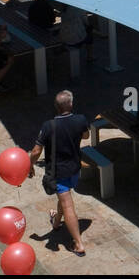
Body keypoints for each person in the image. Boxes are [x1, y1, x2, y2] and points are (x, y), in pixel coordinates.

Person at [28, 90, 90, 256]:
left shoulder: (49, 126)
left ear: (56, 107)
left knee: (68, 205)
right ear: (70, 104)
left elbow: (35, 151)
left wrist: (30, 166)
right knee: (63, 199)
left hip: (59, 172)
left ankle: (78, 244)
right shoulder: (81, 120)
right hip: (75, 169)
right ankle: (56, 223)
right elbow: (85, 136)